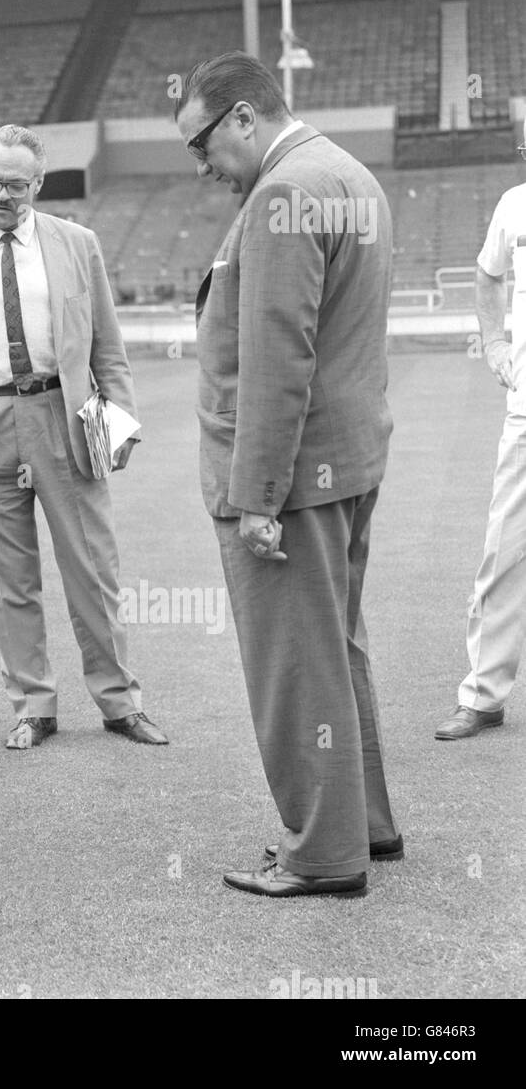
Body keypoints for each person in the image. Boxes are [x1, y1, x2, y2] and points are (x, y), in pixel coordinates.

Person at [178, 51, 401, 898]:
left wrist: (258, 499)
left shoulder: (281, 194)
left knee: (298, 668)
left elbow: (278, 361)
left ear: (243, 116)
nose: (201, 164)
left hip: (294, 479)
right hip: (346, 459)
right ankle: (363, 826)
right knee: (334, 650)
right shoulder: (347, 173)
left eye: (201, 142)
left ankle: (321, 855)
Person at [0, 124, 167, 750]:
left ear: (38, 183)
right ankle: (34, 706)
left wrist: (119, 423)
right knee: (7, 580)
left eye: (14, 184)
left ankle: (119, 703)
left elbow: (107, 344)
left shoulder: (77, 244)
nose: (1, 195)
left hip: (65, 417)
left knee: (93, 569)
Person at [434, 133, 526, 740]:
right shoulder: (514, 205)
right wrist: (494, 342)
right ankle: (484, 696)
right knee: (504, 554)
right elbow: (488, 275)